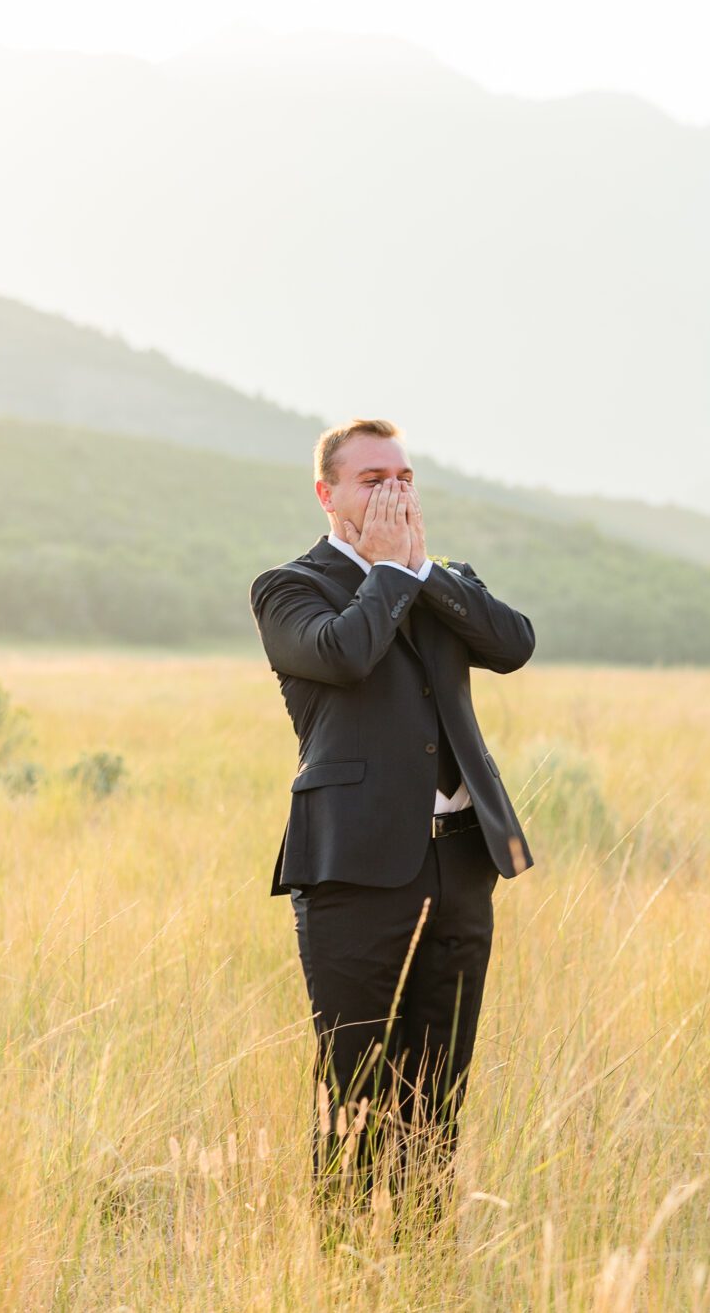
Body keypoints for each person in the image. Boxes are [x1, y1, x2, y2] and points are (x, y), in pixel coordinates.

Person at [249, 417, 536, 1214]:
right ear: (326, 493)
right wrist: (387, 576)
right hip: (352, 867)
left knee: (438, 1093)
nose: (393, 492)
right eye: (373, 481)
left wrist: (423, 573)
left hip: (461, 863)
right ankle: (343, 1276)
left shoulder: (440, 578)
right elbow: (343, 653)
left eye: (404, 479)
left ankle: (420, 1270)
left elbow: (514, 643)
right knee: (353, 1090)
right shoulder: (288, 588)